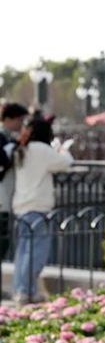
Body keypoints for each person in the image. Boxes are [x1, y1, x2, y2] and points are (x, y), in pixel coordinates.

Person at [8, 115, 73, 305]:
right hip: (38, 207)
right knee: (36, 252)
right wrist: (63, 149)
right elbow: (65, 163)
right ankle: (27, 291)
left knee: (23, 252)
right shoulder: (42, 150)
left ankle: (20, 289)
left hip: (21, 207)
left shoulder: (23, 149)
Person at [0, 103, 30, 261]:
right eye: (19, 120)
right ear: (8, 119)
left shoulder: (9, 139)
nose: (21, 124)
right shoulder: (3, 139)